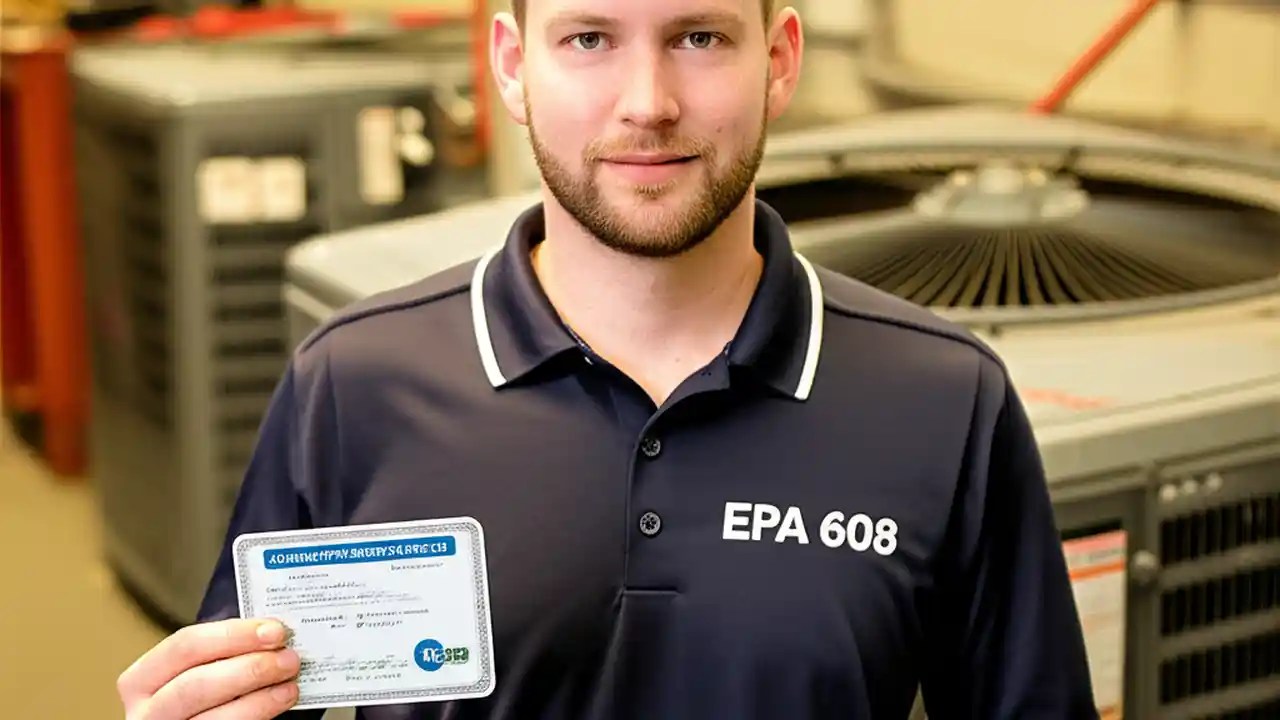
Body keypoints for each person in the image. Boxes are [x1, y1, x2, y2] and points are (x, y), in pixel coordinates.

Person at [117, 0, 1098, 718]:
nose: (647, 103)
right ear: (511, 64)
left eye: (699, 38)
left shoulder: (941, 400)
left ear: (780, 59)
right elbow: (249, 692)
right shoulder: (354, 384)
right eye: (589, 38)